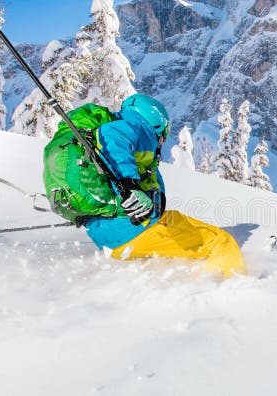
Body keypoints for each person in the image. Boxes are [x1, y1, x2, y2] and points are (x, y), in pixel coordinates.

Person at [84, 94, 246, 278]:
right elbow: (113, 138)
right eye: (163, 134)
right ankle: (235, 291)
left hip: (110, 237)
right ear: (156, 122)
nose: (162, 141)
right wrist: (130, 185)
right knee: (222, 244)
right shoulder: (139, 128)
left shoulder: (124, 136)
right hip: (134, 229)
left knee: (180, 226)